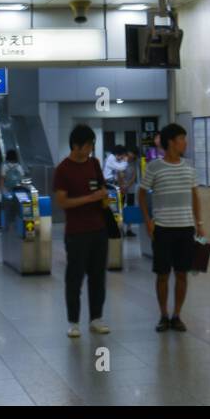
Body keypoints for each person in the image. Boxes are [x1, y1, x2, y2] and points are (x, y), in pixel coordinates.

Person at [141, 123, 204, 333]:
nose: (185, 143)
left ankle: (177, 314)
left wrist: (200, 224)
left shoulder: (189, 167)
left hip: (185, 228)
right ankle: (163, 315)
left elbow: (195, 196)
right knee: (162, 274)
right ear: (171, 142)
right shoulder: (154, 167)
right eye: (182, 139)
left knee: (182, 274)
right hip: (163, 229)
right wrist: (148, 220)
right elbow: (142, 194)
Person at [54, 125, 111, 339]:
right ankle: (74, 321)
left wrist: (103, 195)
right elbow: (62, 202)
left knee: (98, 277)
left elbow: (103, 190)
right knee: (74, 278)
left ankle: (96, 318)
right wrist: (89, 198)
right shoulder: (63, 169)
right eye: (87, 145)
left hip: (99, 229)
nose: (90, 149)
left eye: (91, 145)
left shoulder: (94, 164)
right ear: (76, 145)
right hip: (77, 232)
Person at [118, 149, 138, 238]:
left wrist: (128, 185)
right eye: (131, 153)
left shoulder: (134, 163)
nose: (132, 155)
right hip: (122, 189)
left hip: (131, 189)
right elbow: (120, 174)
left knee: (130, 209)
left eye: (133, 154)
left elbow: (134, 176)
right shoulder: (122, 162)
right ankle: (120, 229)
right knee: (120, 209)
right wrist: (123, 185)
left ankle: (129, 230)